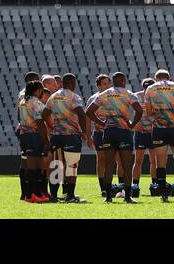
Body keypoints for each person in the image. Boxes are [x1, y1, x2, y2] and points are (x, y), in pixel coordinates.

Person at [86, 71, 142, 202]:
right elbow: (139, 110)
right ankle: (127, 197)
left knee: (109, 165)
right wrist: (132, 124)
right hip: (123, 132)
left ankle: (108, 197)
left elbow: (88, 111)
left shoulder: (104, 94)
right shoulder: (128, 94)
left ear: (113, 81)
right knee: (126, 165)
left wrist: (102, 122)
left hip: (109, 132)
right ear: (123, 81)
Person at [145, 69, 174, 202]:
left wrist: (158, 116)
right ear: (169, 77)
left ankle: (163, 194)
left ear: (156, 78)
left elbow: (148, 111)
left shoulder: (151, 89)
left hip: (159, 128)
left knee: (161, 162)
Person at [45, 73, 88, 203]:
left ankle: (53, 195)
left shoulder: (53, 97)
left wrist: (53, 126)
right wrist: (84, 131)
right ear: (73, 83)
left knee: (57, 165)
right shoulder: (73, 97)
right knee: (72, 166)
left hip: (57, 136)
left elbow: (45, 113)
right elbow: (81, 113)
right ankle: (70, 196)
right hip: (71, 136)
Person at [17, 80, 52, 203]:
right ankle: (31, 195)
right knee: (35, 166)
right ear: (38, 90)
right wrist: (46, 141)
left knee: (31, 166)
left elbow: (18, 118)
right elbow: (39, 122)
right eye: (41, 91)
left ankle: (32, 193)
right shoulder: (35, 102)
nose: (42, 93)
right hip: (33, 135)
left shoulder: (22, 101)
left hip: (24, 135)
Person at [85, 73, 111, 199]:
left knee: (115, 160)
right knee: (101, 159)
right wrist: (88, 136)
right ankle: (103, 188)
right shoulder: (93, 99)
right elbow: (88, 118)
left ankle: (116, 186)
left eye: (108, 83)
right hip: (99, 133)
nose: (107, 86)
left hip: (112, 132)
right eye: (104, 83)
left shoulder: (113, 97)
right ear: (98, 85)